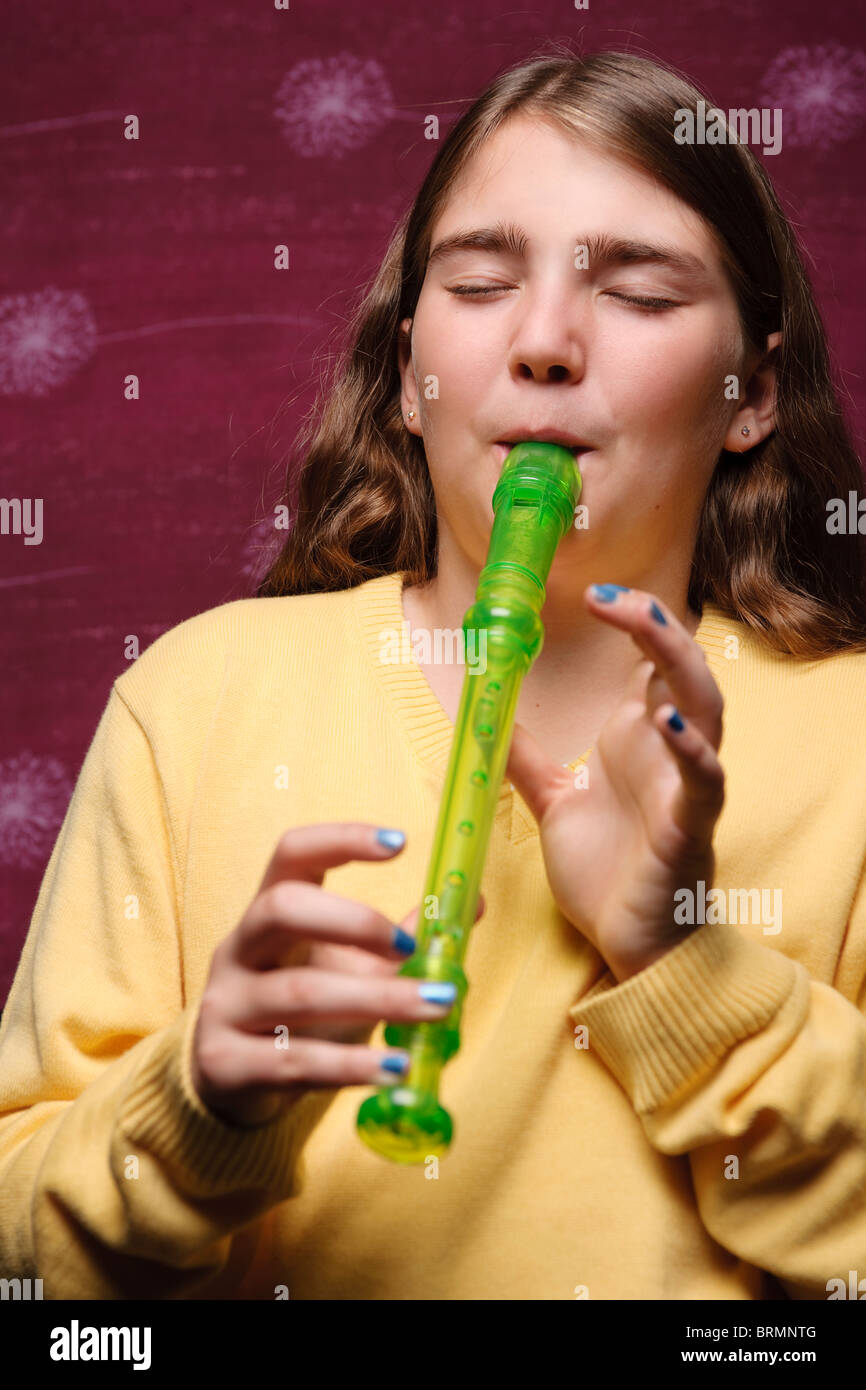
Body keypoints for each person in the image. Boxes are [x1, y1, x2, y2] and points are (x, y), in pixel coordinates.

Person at [1, 47, 865, 1301]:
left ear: (753, 395)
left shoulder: (850, 738)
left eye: (636, 292)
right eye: (478, 281)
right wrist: (197, 1108)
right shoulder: (195, 704)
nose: (545, 342)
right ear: (410, 375)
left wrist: (684, 963)